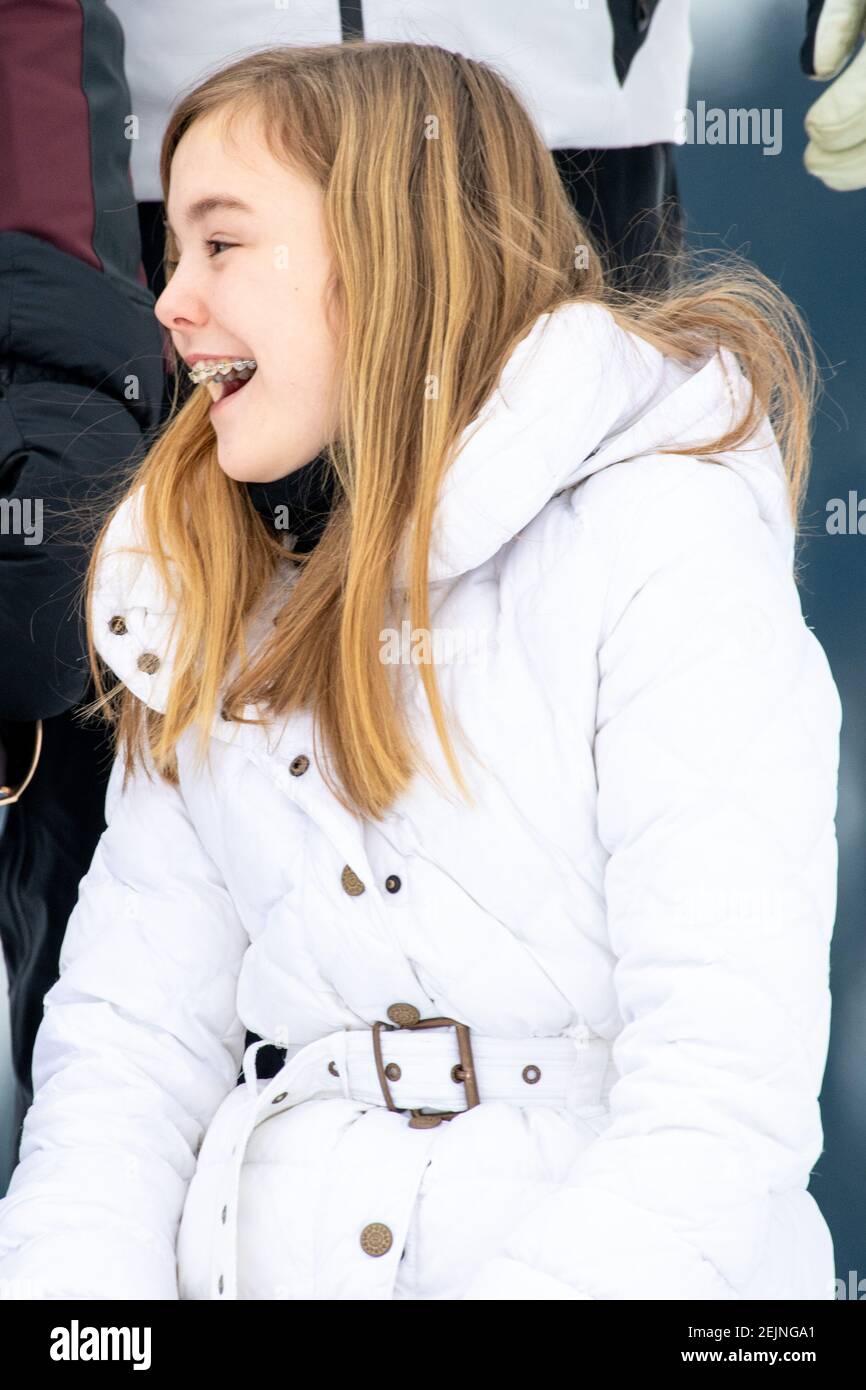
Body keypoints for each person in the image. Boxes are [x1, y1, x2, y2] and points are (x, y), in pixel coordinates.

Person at [0, 41, 842, 1301]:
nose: (168, 305)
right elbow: (123, 1071)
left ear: (387, 252)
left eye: (221, 246)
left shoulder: (664, 541)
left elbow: (723, 1100)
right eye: (171, 255)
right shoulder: (209, 585)